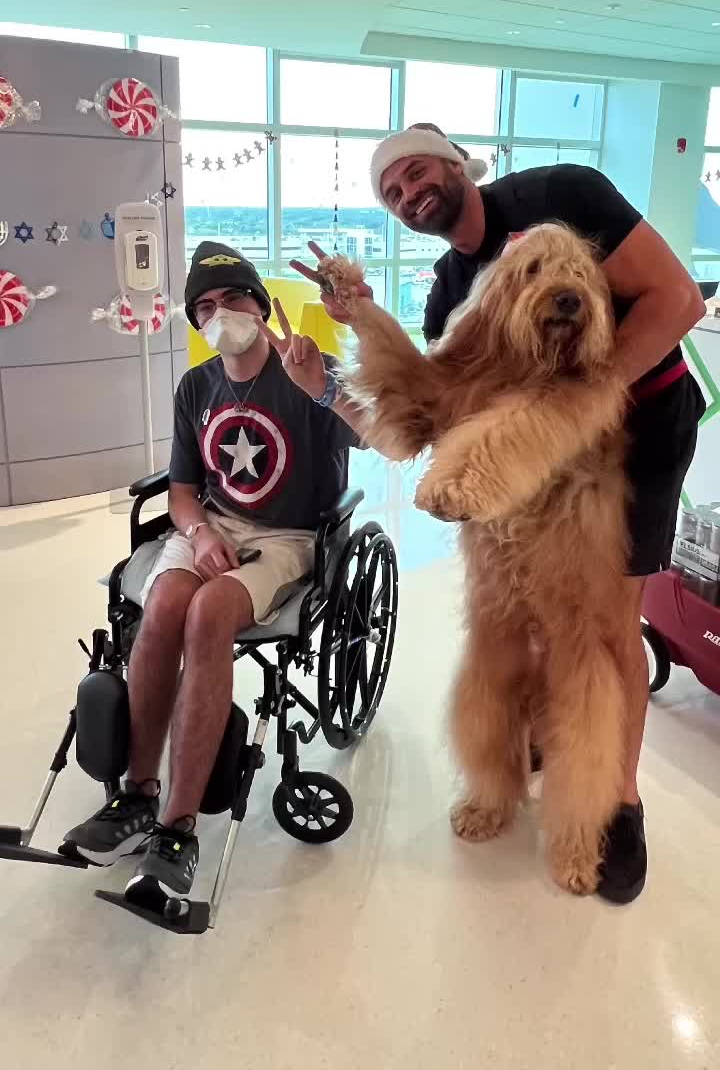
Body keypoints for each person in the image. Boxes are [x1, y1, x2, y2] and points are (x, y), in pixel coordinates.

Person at [292, 125, 706, 905]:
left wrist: (582, 399)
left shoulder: (566, 195)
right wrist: (363, 322)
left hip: (632, 442)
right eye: (394, 192)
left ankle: (611, 813)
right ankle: (497, 780)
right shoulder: (453, 290)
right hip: (519, 492)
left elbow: (679, 299)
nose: (412, 193)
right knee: (498, 633)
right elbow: (425, 404)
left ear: (456, 165)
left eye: (418, 173)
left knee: (599, 639)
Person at [62, 242, 366, 897]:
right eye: (203, 306)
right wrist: (198, 532)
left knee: (208, 615)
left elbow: (378, 433)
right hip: (213, 525)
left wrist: (325, 388)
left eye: (231, 299)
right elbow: (180, 489)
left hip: (288, 536)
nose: (219, 313)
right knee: (163, 605)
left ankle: (179, 825)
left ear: (260, 305)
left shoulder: (308, 369)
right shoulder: (197, 386)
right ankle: (138, 793)